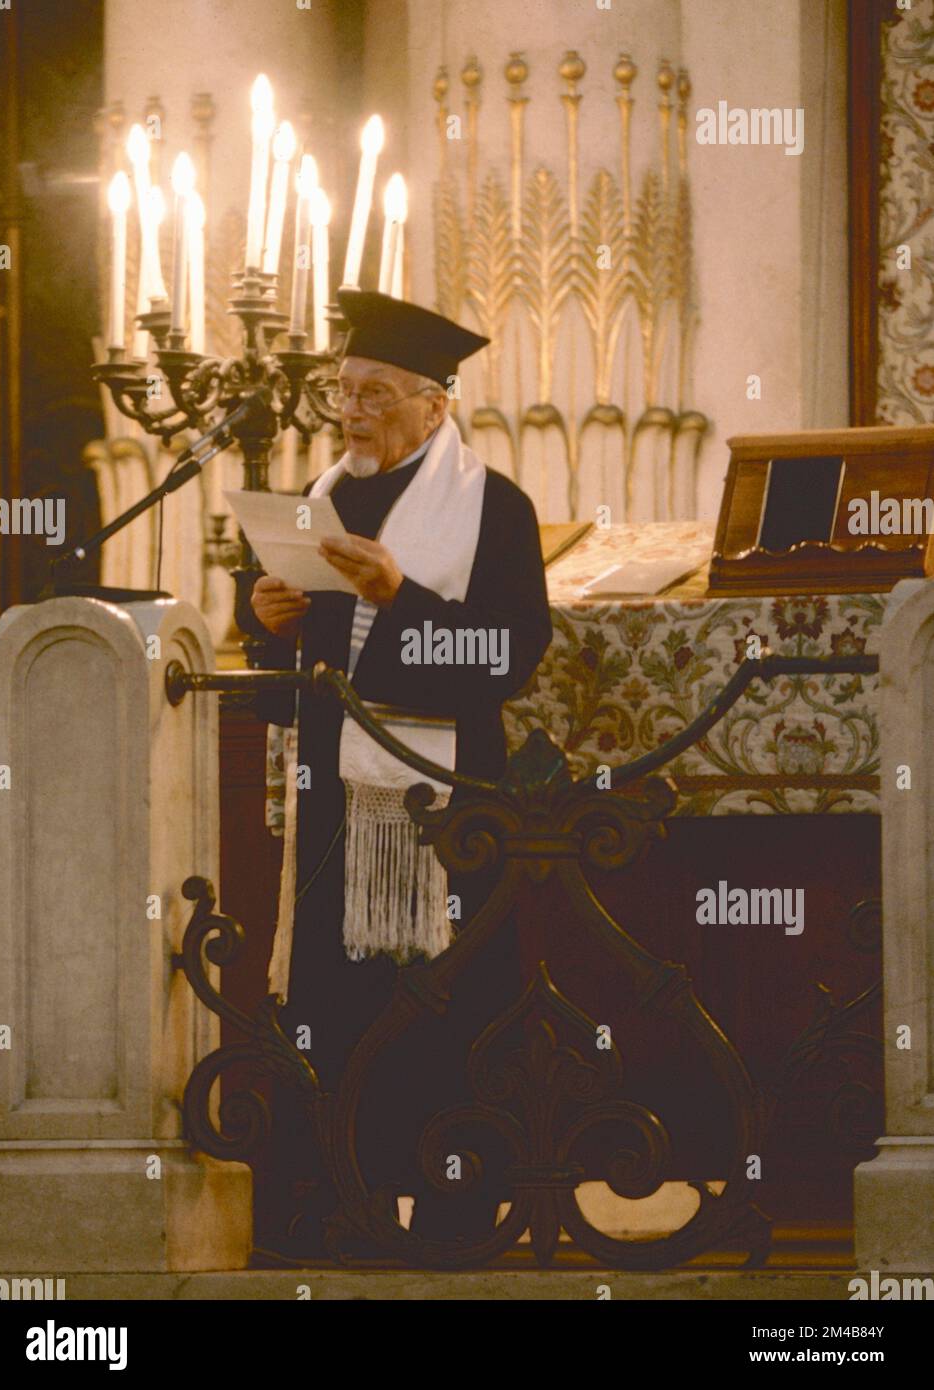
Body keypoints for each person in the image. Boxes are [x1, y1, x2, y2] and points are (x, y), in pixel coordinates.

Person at [249, 289, 553, 1257]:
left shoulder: (493, 508)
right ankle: (346, 1201)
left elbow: (507, 657)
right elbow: (289, 665)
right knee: (336, 999)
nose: (352, 412)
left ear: (435, 405)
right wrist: (267, 620)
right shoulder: (317, 500)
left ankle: (459, 1205)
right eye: (342, 392)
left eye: (376, 393)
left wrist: (402, 596)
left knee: (443, 1000)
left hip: (447, 806)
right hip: (336, 795)